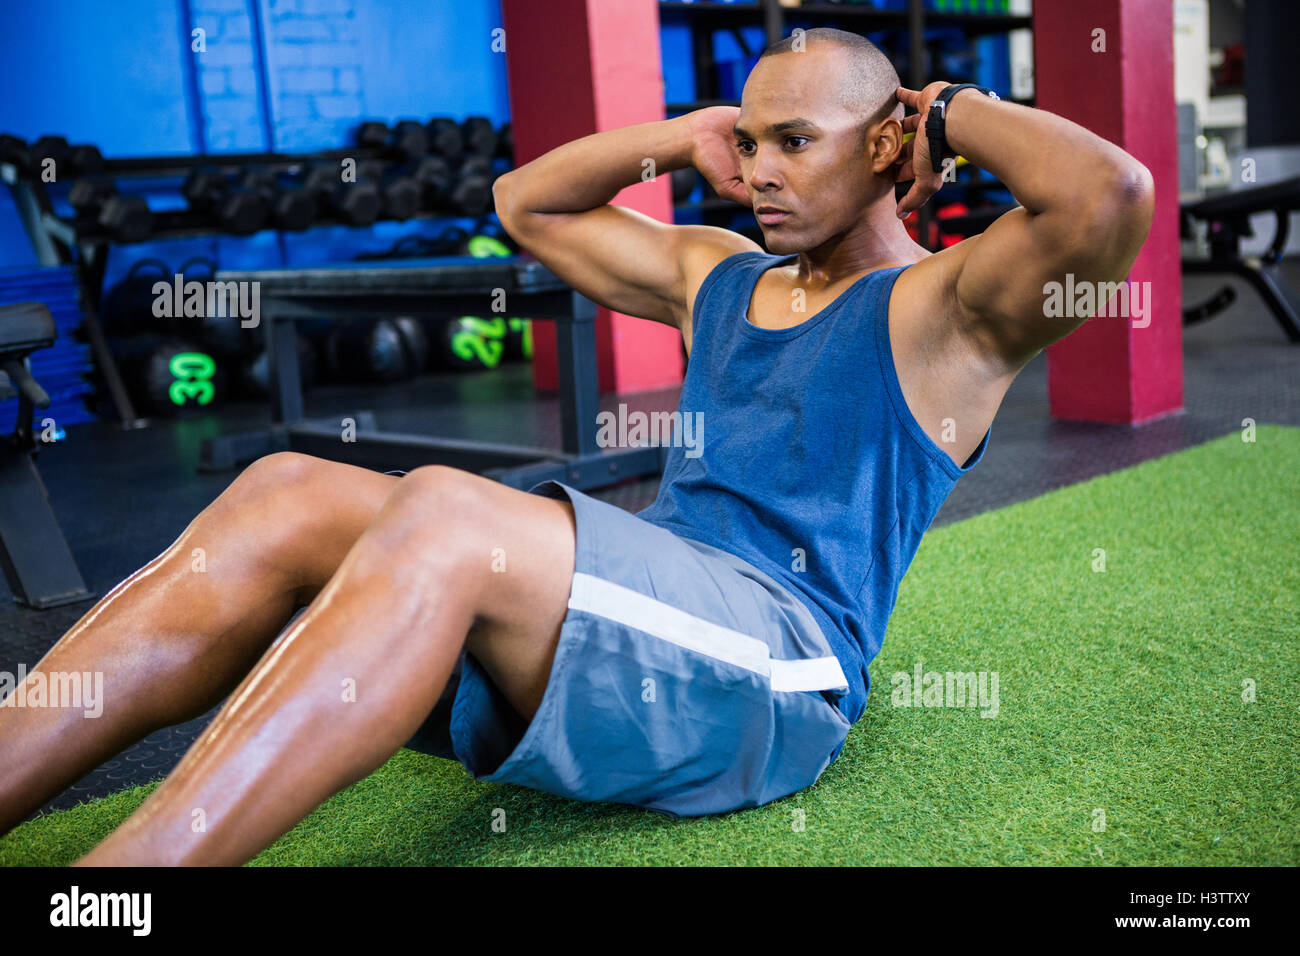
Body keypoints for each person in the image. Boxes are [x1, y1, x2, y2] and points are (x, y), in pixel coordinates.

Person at [0, 28, 1153, 865]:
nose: (757, 171)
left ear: (886, 145)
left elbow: (1109, 192)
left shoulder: (945, 311)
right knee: (284, 489)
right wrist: (671, 138)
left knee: (448, 513)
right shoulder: (722, 274)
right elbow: (523, 204)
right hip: (653, 602)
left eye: (795, 142)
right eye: (749, 141)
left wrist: (942, 108)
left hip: (780, 666)